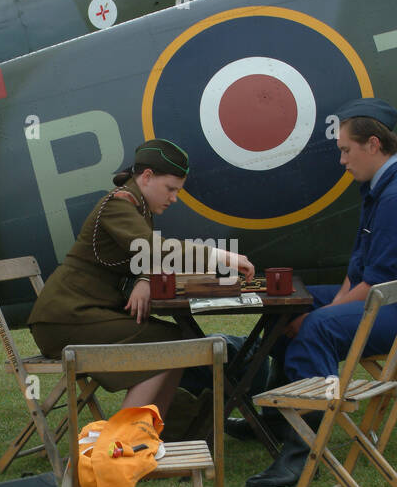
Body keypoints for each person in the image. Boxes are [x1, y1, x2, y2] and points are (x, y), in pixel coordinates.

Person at [242, 96, 397, 487]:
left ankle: (303, 453)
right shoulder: (381, 184)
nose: (342, 160)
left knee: (315, 329)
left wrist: (324, 316)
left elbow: (378, 283)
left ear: (373, 145)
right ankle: (278, 417)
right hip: (389, 298)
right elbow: (359, 268)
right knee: (288, 307)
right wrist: (319, 306)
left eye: (346, 150)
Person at [29, 138, 254, 417]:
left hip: (83, 313)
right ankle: (123, 436)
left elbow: (144, 253)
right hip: (66, 319)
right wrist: (222, 256)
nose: (173, 198)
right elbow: (153, 248)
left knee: (177, 339)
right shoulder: (118, 205)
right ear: (147, 176)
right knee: (168, 345)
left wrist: (146, 280)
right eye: (170, 189)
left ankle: (150, 432)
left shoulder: (137, 206)